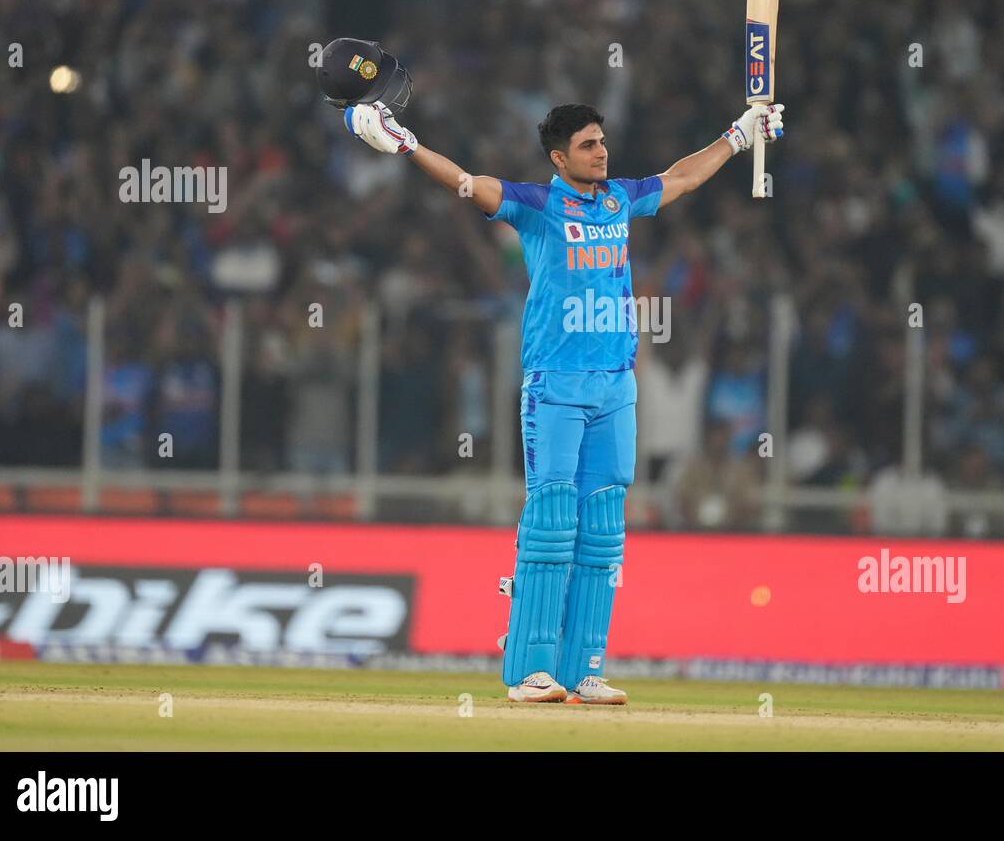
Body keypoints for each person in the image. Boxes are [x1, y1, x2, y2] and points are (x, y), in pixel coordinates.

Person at [330, 39, 785, 704]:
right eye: (590, 145)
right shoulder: (536, 208)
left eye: (603, 142)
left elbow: (681, 177)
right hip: (555, 385)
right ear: (558, 158)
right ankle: (529, 671)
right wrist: (405, 146)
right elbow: (469, 183)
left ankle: (584, 669)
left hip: (614, 385)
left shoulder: (618, 201)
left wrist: (737, 136)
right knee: (551, 521)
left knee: (603, 529)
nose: (602, 152)